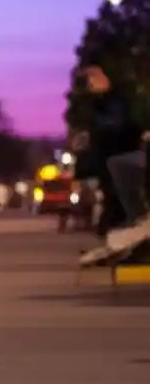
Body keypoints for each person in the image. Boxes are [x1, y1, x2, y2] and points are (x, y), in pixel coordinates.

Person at [76, 64, 148, 264]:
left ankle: (128, 241)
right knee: (113, 200)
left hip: (120, 155)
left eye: (92, 82)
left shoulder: (117, 101)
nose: (91, 87)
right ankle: (121, 244)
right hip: (110, 159)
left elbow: (119, 127)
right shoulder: (103, 102)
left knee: (118, 199)